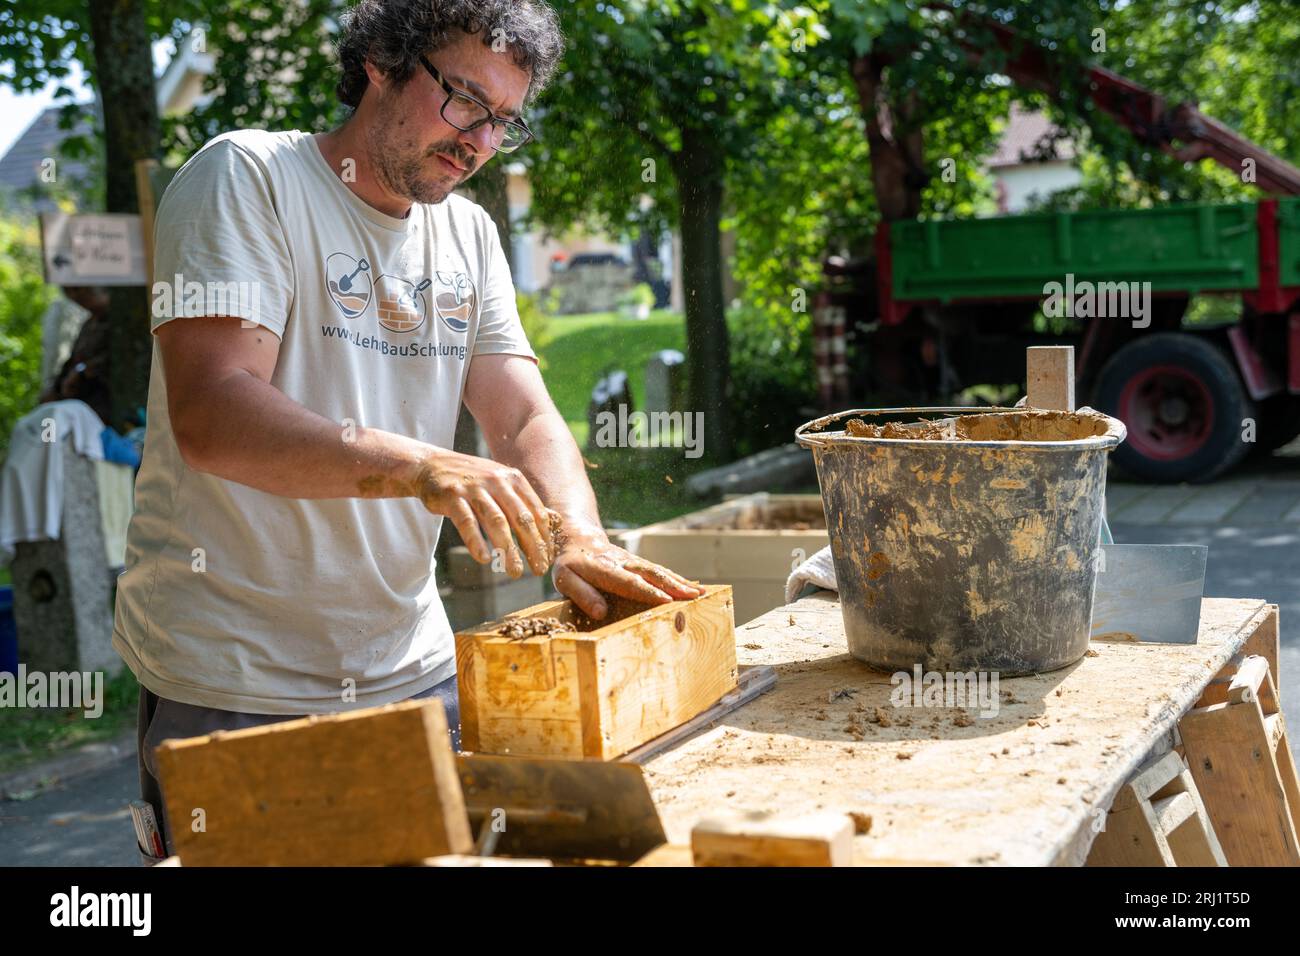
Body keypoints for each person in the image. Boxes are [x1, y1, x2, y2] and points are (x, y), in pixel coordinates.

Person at [114, 0, 701, 861]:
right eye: (465, 99)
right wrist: (426, 466)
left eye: (503, 120)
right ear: (383, 62)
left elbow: (523, 411)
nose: (478, 140)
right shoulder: (248, 176)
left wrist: (580, 535)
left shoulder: (467, 232)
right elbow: (214, 413)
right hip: (236, 682)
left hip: (413, 673)